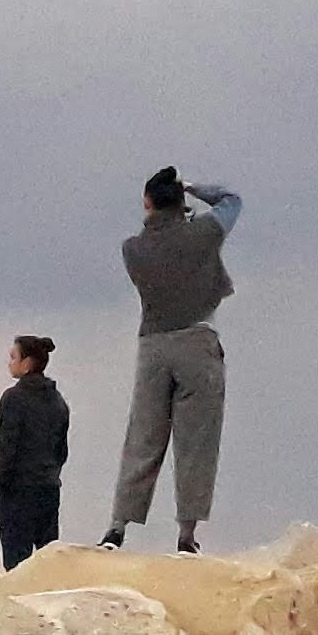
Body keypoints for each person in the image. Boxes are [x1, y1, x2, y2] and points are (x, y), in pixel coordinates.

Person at [104, 165, 238, 552]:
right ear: (180, 201)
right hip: (198, 340)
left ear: (147, 203)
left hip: (153, 345)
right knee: (196, 443)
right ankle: (186, 535)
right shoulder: (204, 232)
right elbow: (231, 201)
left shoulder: (133, 249)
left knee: (142, 437)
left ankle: (117, 527)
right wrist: (193, 188)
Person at [0, 335, 69, 567]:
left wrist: (1, 486)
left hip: (18, 491)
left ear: (27, 363)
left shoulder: (14, 398)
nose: (10, 363)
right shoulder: (58, 401)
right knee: (47, 564)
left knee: (17, 565)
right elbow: (61, 450)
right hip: (48, 490)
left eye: (13, 357)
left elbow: (8, 446)